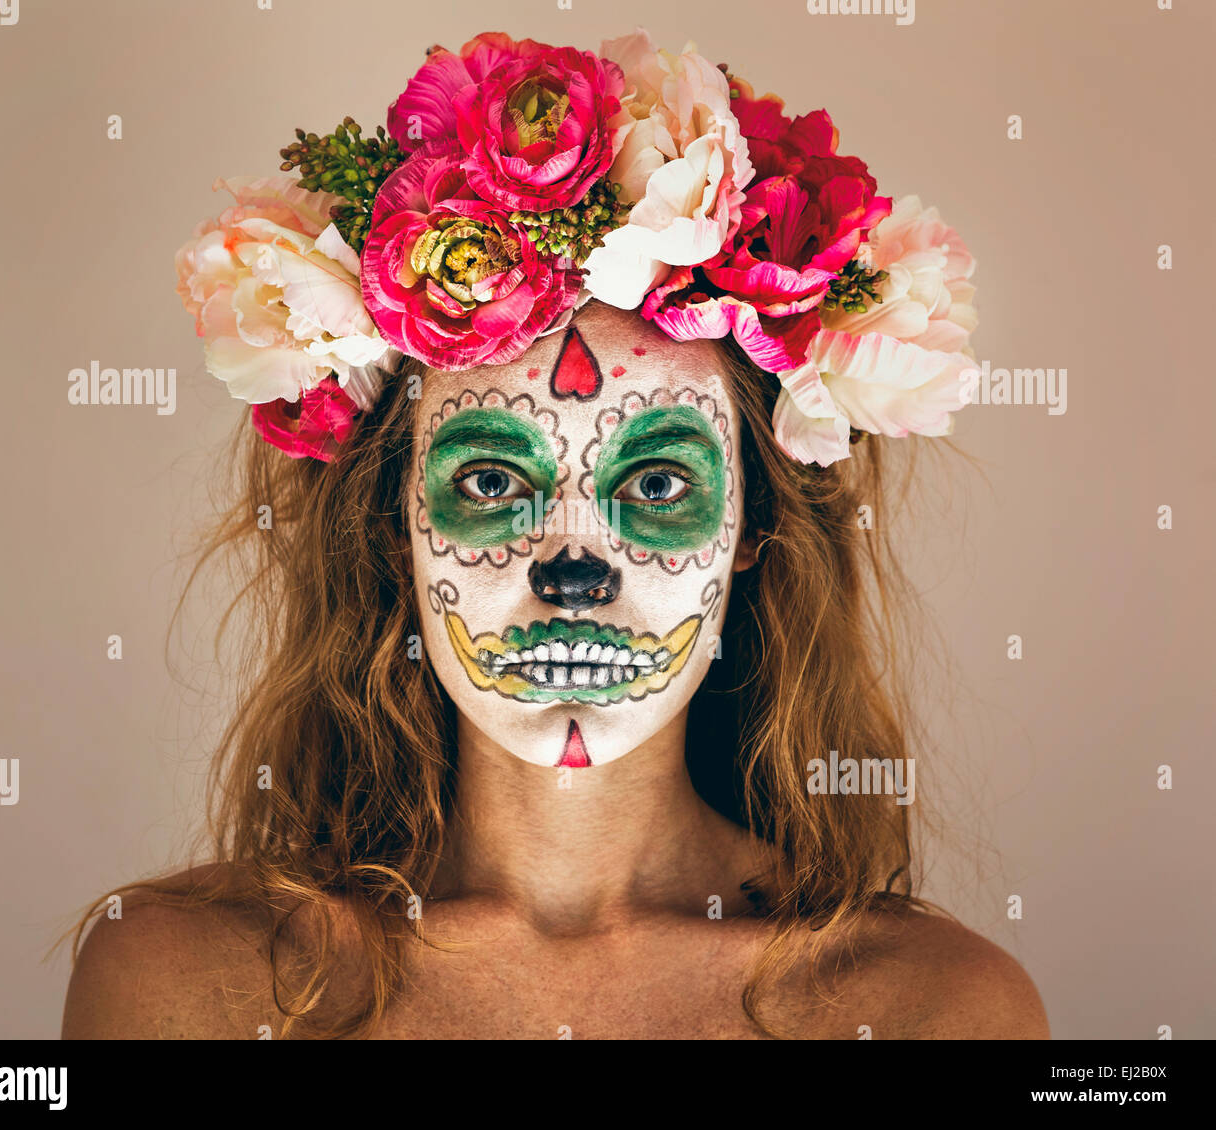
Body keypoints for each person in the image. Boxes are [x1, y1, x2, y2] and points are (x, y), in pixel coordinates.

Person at [62, 27, 1048, 1039]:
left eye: (659, 479)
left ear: (752, 520)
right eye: (490, 477)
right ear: (391, 518)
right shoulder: (180, 984)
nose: (573, 571)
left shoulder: (934, 1008)